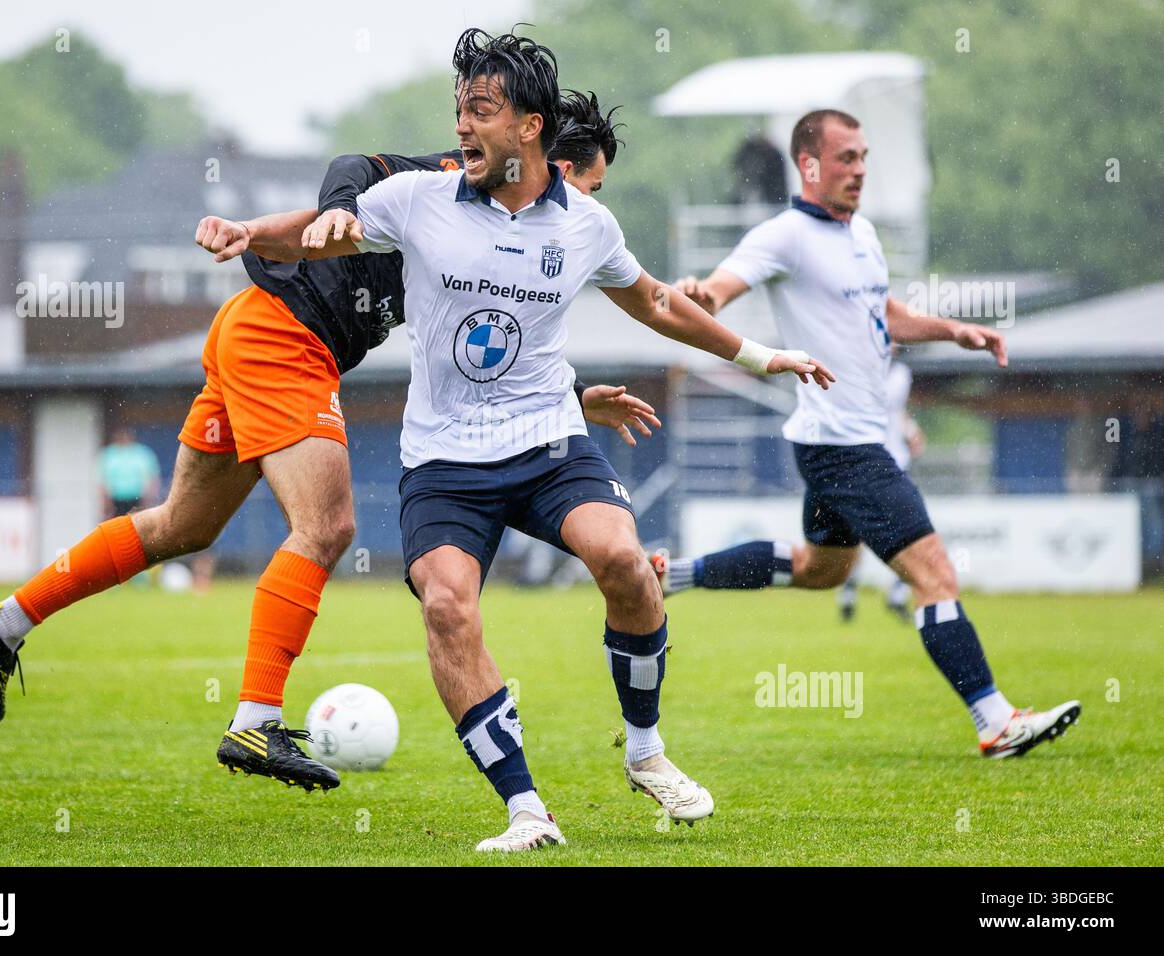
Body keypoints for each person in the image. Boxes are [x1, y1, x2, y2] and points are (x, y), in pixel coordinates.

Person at [0, 89, 657, 800]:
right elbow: (352, 164)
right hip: (286, 336)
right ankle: (256, 719)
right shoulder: (450, 186)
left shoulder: (514, 233)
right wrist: (339, 211)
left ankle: (4, 623)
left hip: (250, 324)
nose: (582, 209)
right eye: (585, 186)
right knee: (326, 527)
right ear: (546, 157)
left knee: (182, 524)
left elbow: (484, 364)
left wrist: (569, 399)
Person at [251, 29, 833, 851]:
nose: (462, 126)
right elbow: (315, 225)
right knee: (450, 607)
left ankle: (645, 751)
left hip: (546, 445)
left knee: (626, 561)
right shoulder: (419, 199)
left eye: (480, 110)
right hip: (445, 459)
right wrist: (246, 232)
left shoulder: (587, 224)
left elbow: (659, 302)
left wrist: (760, 355)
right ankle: (527, 810)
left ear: (529, 126)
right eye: (458, 109)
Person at [656, 108, 1080, 759]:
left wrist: (953, 331)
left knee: (821, 569)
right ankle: (994, 720)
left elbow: (884, 313)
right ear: (808, 165)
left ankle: (672, 575)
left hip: (843, 441)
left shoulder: (864, 234)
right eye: (846, 158)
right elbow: (716, 291)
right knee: (934, 574)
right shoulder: (785, 236)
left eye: (863, 158)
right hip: (845, 446)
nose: (859, 170)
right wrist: (697, 293)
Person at [836, 352, 922, 623]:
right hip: (864, 461)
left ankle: (896, 595)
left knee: (909, 532)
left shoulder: (901, 374)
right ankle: (848, 594)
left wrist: (911, 431)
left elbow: (897, 411)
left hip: (896, 463)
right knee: (857, 534)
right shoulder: (855, 367)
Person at [98, 427, 161, 518]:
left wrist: (150, 498)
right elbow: (102, 480)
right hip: (115, 500)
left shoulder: (142, 453)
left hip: (137, 499)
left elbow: (153, 477)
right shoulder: (108, 455)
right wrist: (105, 501)